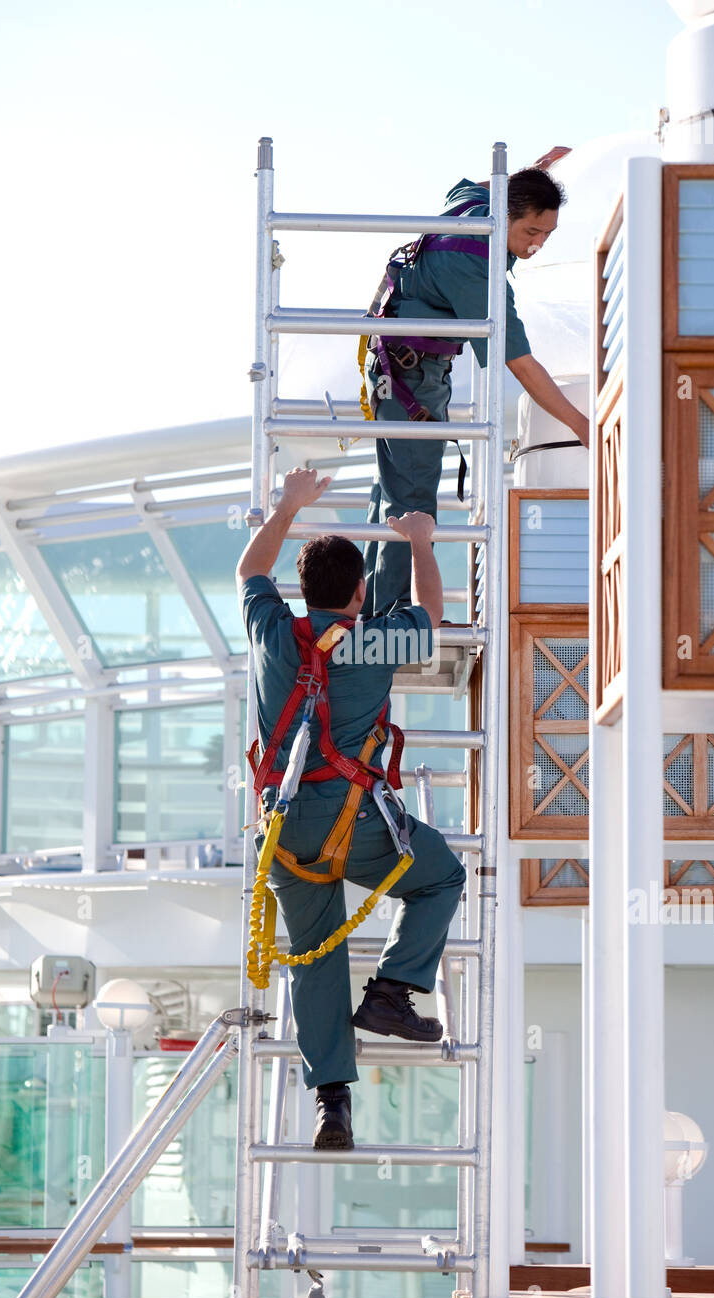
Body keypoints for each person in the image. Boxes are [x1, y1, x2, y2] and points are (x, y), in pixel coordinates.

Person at [237, 466, 466, 1149]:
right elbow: (430, 613)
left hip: (284, 833)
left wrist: (288, 505)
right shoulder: (373, 640)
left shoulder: (274, 634)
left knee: (313, 958)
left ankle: (331, 1103)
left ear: (301, 593)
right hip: (355, 824)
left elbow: (252, 568)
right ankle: (393, 992)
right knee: (442, 876)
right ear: (361, 593)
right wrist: (421, 541)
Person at [361, 149, 591, 618]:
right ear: (506, 217)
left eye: (547, 234)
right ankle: (394, 615)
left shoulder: (470, 206)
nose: (538, 245)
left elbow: (489, 184)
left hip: (402, 366)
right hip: (410, 377)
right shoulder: (476, 267)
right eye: (531, 231)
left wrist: (539, 167)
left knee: (394, 486)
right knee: (413, 494)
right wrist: (581, 425)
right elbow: (522, 366)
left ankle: (377, 606)